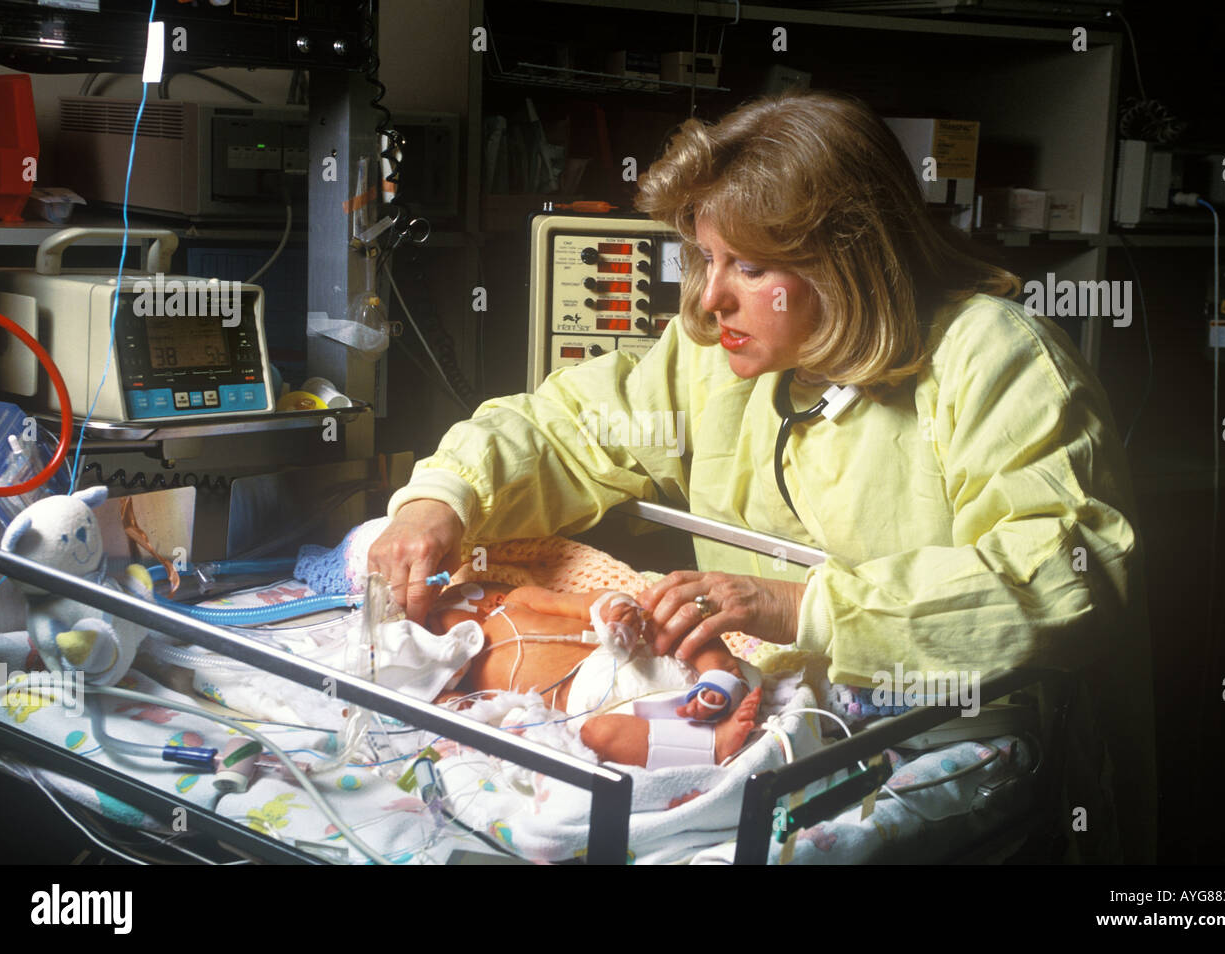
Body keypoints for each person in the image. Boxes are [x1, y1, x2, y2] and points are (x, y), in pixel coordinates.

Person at [369, 89, 1156, 863]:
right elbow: (567, 427)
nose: (710, 300)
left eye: (747, 265)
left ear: (848, 261)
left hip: (942, 722)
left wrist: (800, 606)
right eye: (707, 259)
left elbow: (1071, 573)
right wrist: (445, 497)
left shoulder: (997, 361)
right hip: (762, 700)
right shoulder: (720, 361)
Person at [423, 581, 763, 767]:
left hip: (636, 656)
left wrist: (615, 610)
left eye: (436, 623)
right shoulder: (468, 685)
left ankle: (724, 676)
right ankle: (713, 743)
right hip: (598, 706)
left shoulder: (517, 601)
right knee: (599, 736)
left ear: (486, 600)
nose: (430, 637)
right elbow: (466, 716)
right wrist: (446, 696)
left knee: (676, 621)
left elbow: (588, 601)